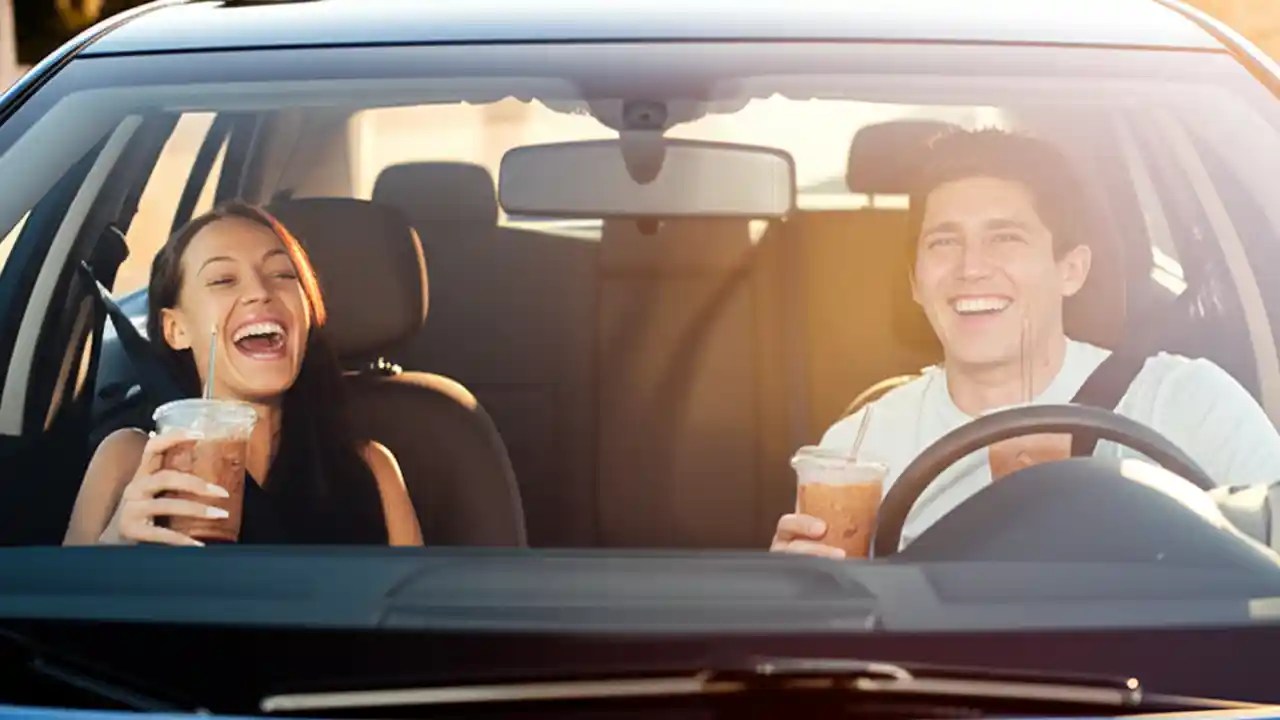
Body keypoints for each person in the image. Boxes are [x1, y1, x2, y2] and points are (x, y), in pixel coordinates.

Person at [772, 128, 1280, 557]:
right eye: (944, 242)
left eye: (1006, 238)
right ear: (914, 282)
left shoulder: (1188, 405)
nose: (971, 268)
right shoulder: (856, 449)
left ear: (1071, 269)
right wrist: (802, 597)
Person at [63, 202, 424, 546]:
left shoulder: (372, 473)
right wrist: (114, 548)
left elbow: (413, 610)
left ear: (307, 313)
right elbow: (57, 608)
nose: (260, 291)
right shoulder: (130, 461)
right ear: (175, 329)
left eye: (282, 274)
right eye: (223, 279)